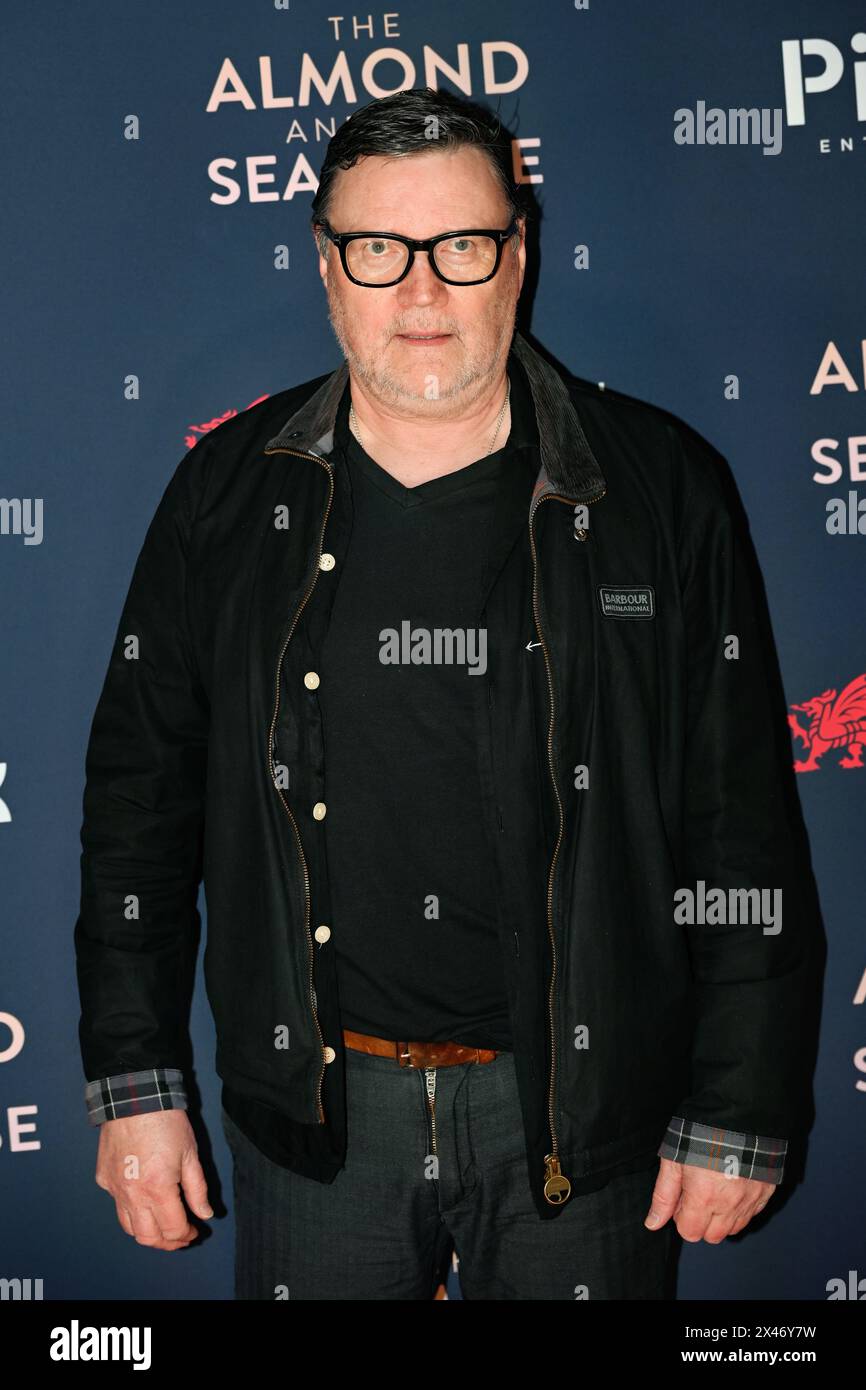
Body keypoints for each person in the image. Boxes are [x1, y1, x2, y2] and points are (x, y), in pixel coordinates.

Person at [75, 87, 819, 1300]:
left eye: (460, 246)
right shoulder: (225, 496)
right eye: (377, 249)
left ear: (515, 256)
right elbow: (137, 807)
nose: (420, 290)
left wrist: (735, 1101)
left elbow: (736, 818)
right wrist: (138, 1083)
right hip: (318, 1123)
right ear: (326, 266)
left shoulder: (657, 487)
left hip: (581, 1117)